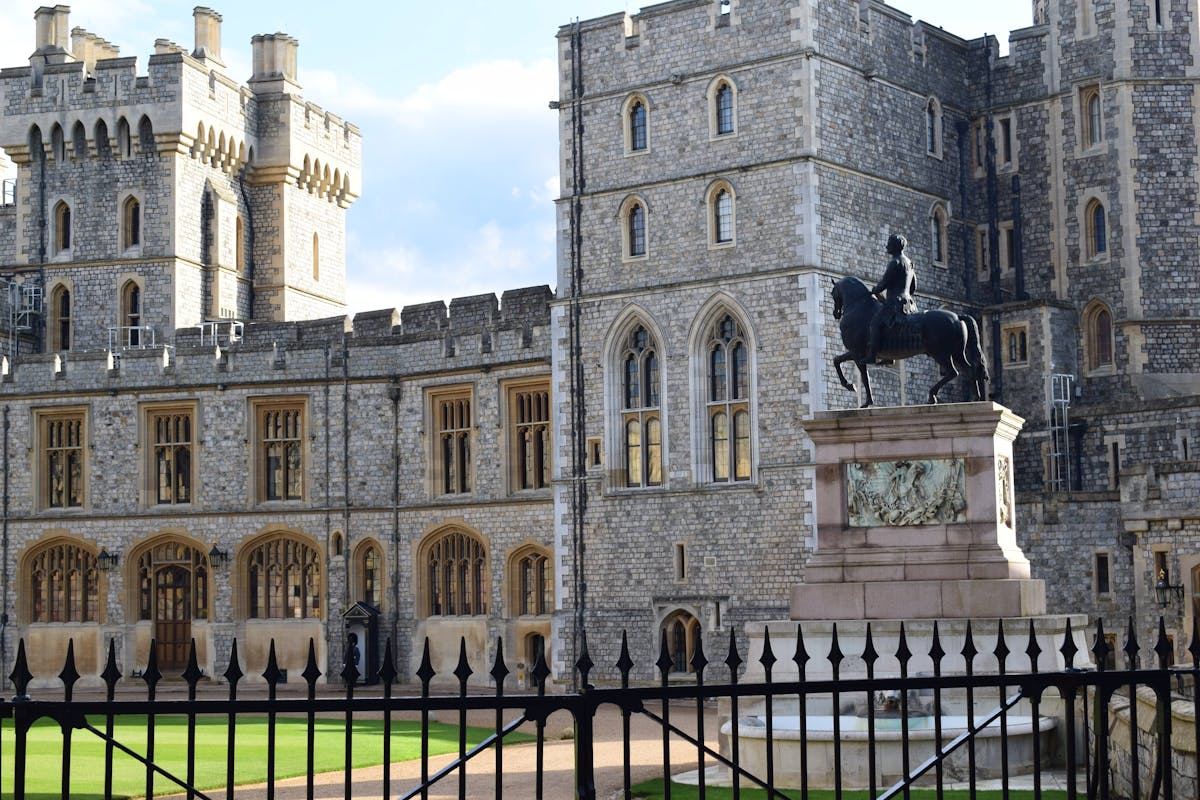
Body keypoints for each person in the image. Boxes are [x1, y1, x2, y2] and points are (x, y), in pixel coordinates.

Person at [866, 233, 917, 364]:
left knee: (875, 324)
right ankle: (889, 356)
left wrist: (873, 291)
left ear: (895, 246)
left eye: (889, 243)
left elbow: (883, 284)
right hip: (909, 303)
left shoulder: (895, 262)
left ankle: (872, 356)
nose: (887, 246)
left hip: (895, 303)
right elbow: (913, 287)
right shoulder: (909, 263)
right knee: (891, 327)